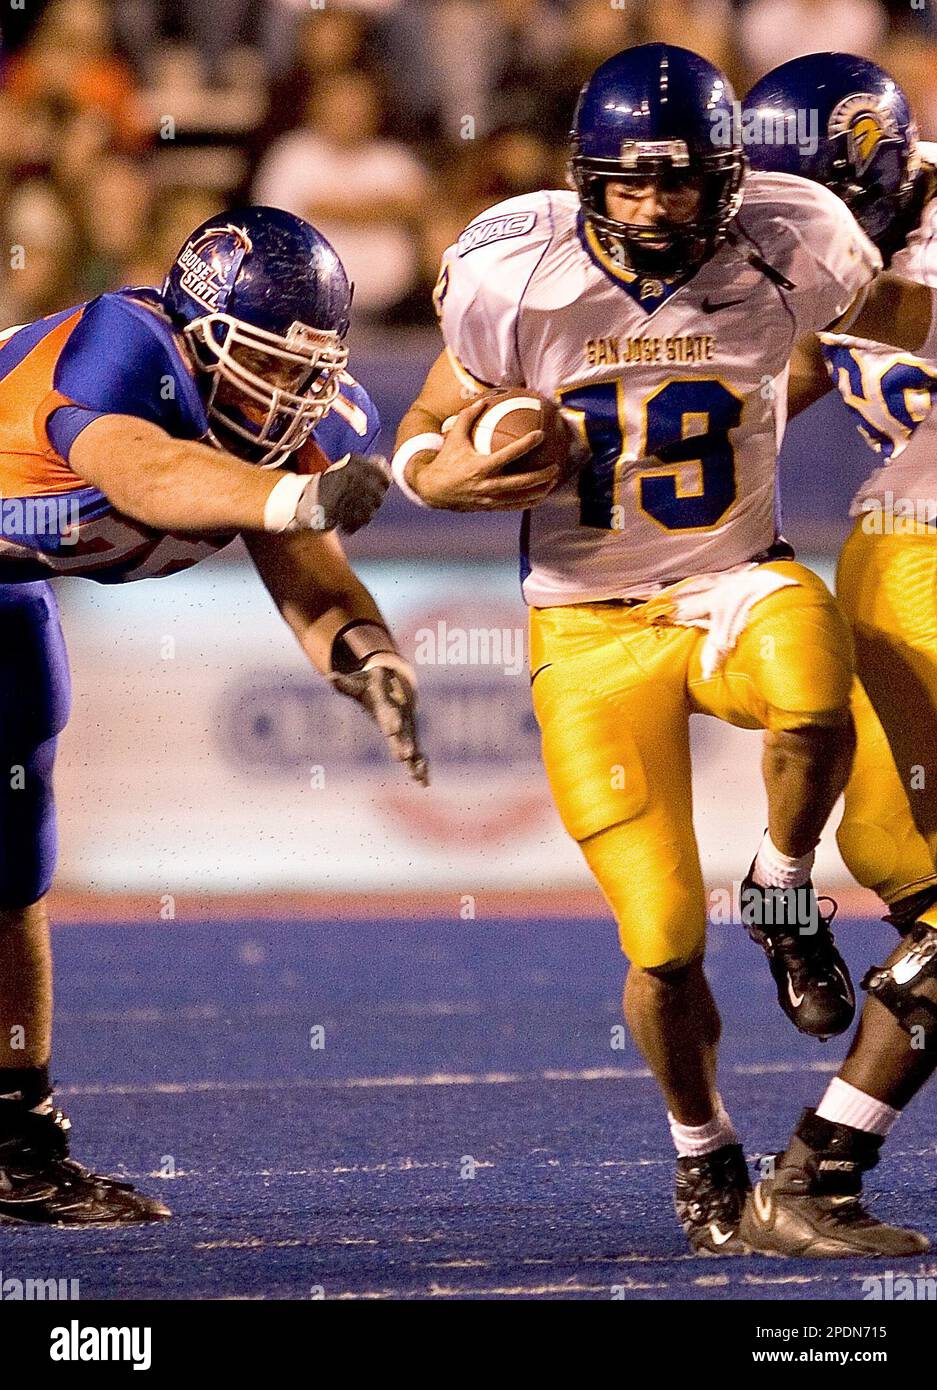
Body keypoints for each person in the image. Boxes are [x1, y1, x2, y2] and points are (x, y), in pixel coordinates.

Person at [389, 44, 937, 1251]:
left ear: (729, 180)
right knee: (661, 940)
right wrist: (443, 475)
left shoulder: (800, 234)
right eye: (624, 184)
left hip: (736, 574)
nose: (649, 206)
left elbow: (865, 319)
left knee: (812, 692)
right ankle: (708, 1151)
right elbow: (426, 429)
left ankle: (783, 885)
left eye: (677, 183)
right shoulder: (510, 268)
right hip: (588, 620)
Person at [0, 205, 427, 1226]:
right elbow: (142, 471)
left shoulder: (279, 442)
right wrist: (288, 501)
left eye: (304, 372)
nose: (285, 398)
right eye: (263, 364)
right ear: (195, 334)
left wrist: (369, 658)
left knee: (15, 856)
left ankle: (15, 1140)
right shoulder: (122, 346)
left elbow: (310, 580)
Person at [737, 52, 937, 1258]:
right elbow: (804, 365)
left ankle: (777, 875)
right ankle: (811, 1176)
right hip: (910, 565)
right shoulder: (823, 242)